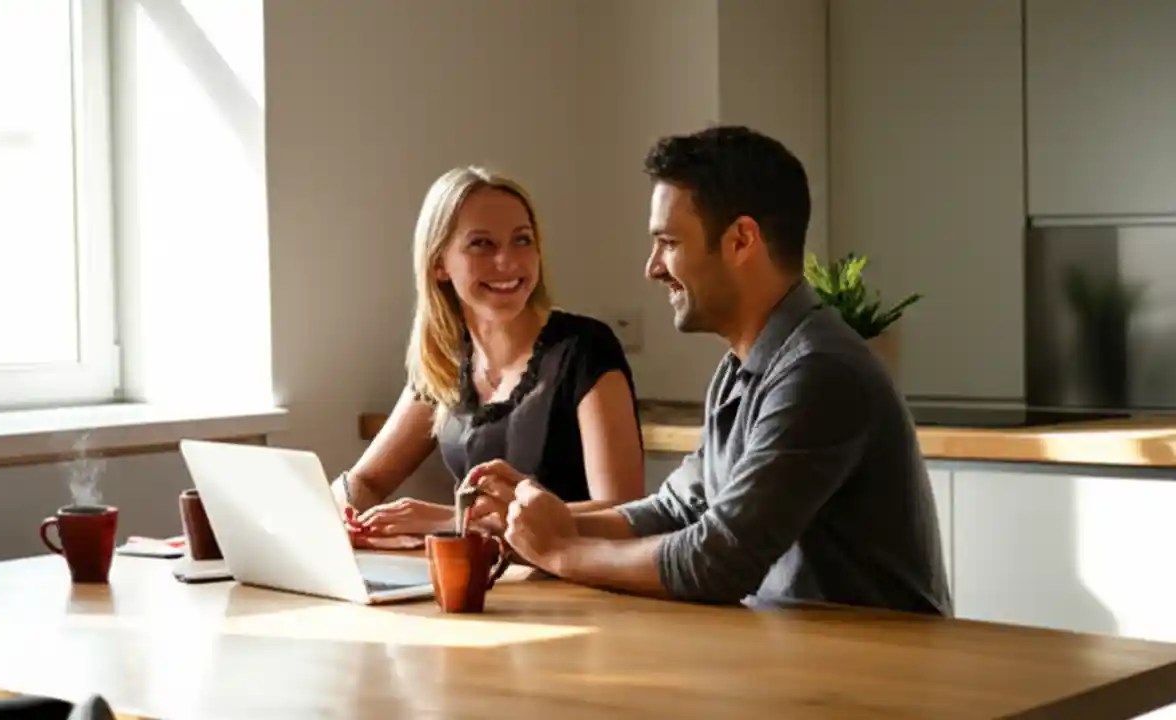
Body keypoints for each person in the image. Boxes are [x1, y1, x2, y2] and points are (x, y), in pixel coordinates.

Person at [467, 126, 952, 615]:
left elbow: (717, 561)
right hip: (798, 663)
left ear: (741, 240)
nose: (652, 267)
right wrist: (532, 524)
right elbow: (677, 511)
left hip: (876, 676)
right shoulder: (741, 367)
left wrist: (560, 550)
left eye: (669, 242)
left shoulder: (819, 372)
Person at [332, 166, 646, 547]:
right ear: (439, 264)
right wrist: (338, 520)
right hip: (488, 586)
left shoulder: (585, 349)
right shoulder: (447, 360)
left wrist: (453, 520)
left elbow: (625, 510)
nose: (509, 262)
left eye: (522, 240)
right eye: (482, 244)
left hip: (580, 588)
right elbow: (366, 481)